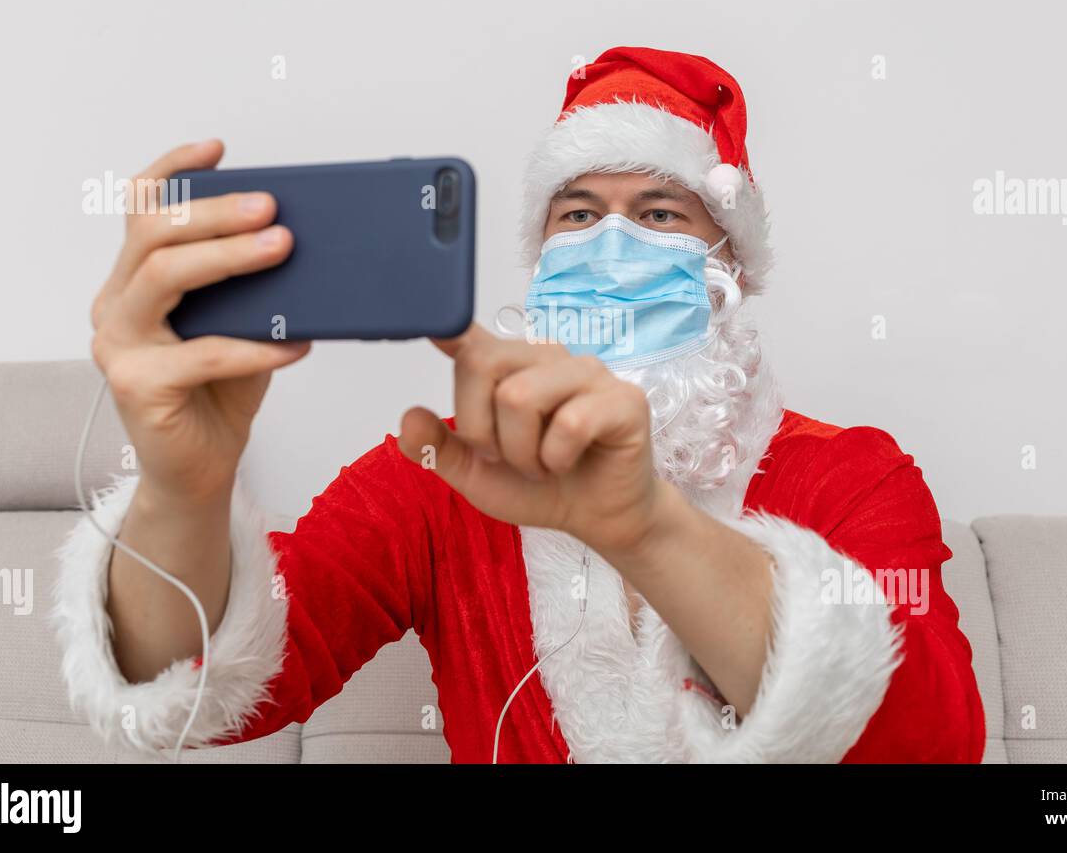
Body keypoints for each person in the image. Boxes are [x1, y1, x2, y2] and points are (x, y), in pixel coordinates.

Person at [52, 46, 985, 763]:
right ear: (539, 267)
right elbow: (216, 690)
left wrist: (643, 527)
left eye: (661, 214)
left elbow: (932, 743)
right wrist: (183, 487)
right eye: (576, 214)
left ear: (728, 268)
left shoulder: (851, 471)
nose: (610, 239)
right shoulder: (446, 475)